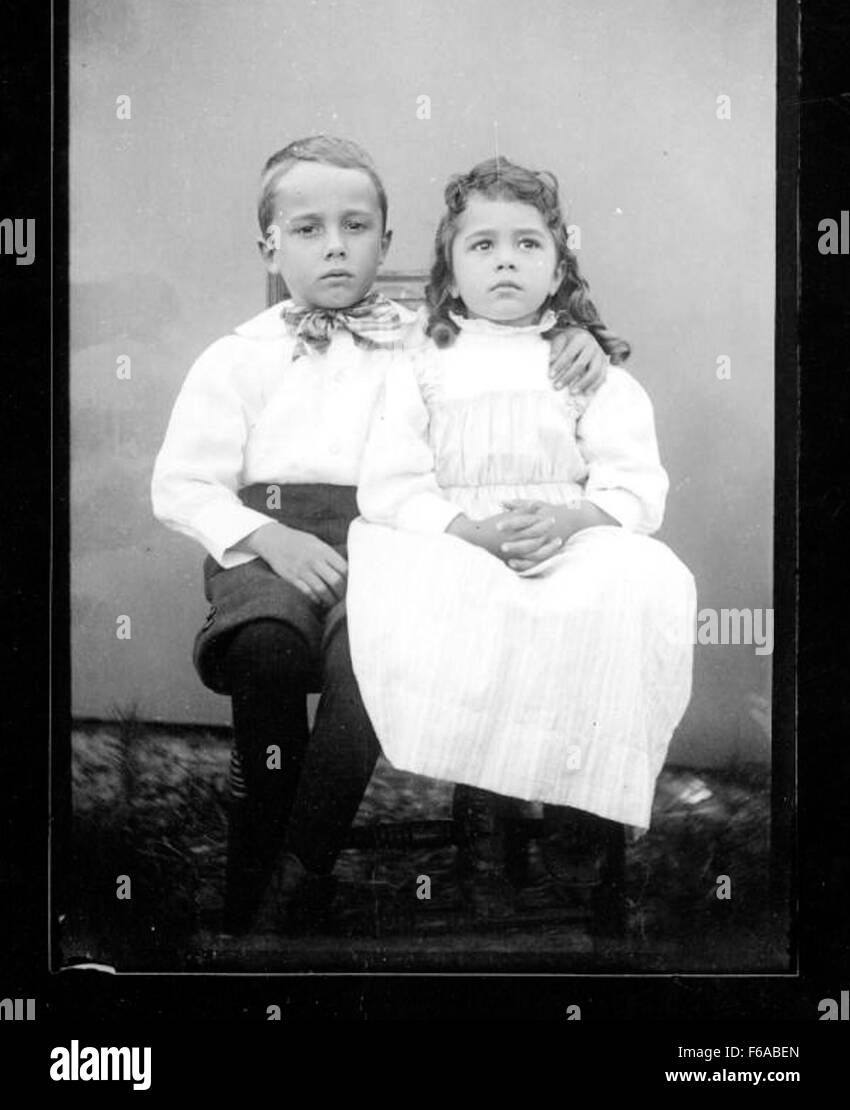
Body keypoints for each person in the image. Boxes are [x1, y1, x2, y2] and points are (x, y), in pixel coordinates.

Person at [150, 137, 608, 935]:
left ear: (386, 241)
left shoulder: (429, 339)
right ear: (269, 245)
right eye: (307, 229)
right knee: (267, 650)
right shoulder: (236, 357)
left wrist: (575, 338)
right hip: (268, 543)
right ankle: (256, 862)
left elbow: (513, 335)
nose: (334, 244)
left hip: (389, 536)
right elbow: (182, 484)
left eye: (356, 226)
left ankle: (300, 870)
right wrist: (268, 538)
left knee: (370, 651)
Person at [347, 156, 697, 914]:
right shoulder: (422, 364)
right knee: (479, 609)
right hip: (455, 540)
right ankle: (489, 835)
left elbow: (636, 486)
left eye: (527, 244)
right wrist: (465, 530)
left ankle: (577, 824)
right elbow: (391, 484)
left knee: (631, 586)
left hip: (570, 537)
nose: (506, 259)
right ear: (449, 264)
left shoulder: (583, 366)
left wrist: (571, 520)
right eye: (482, 245)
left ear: (558, 263)